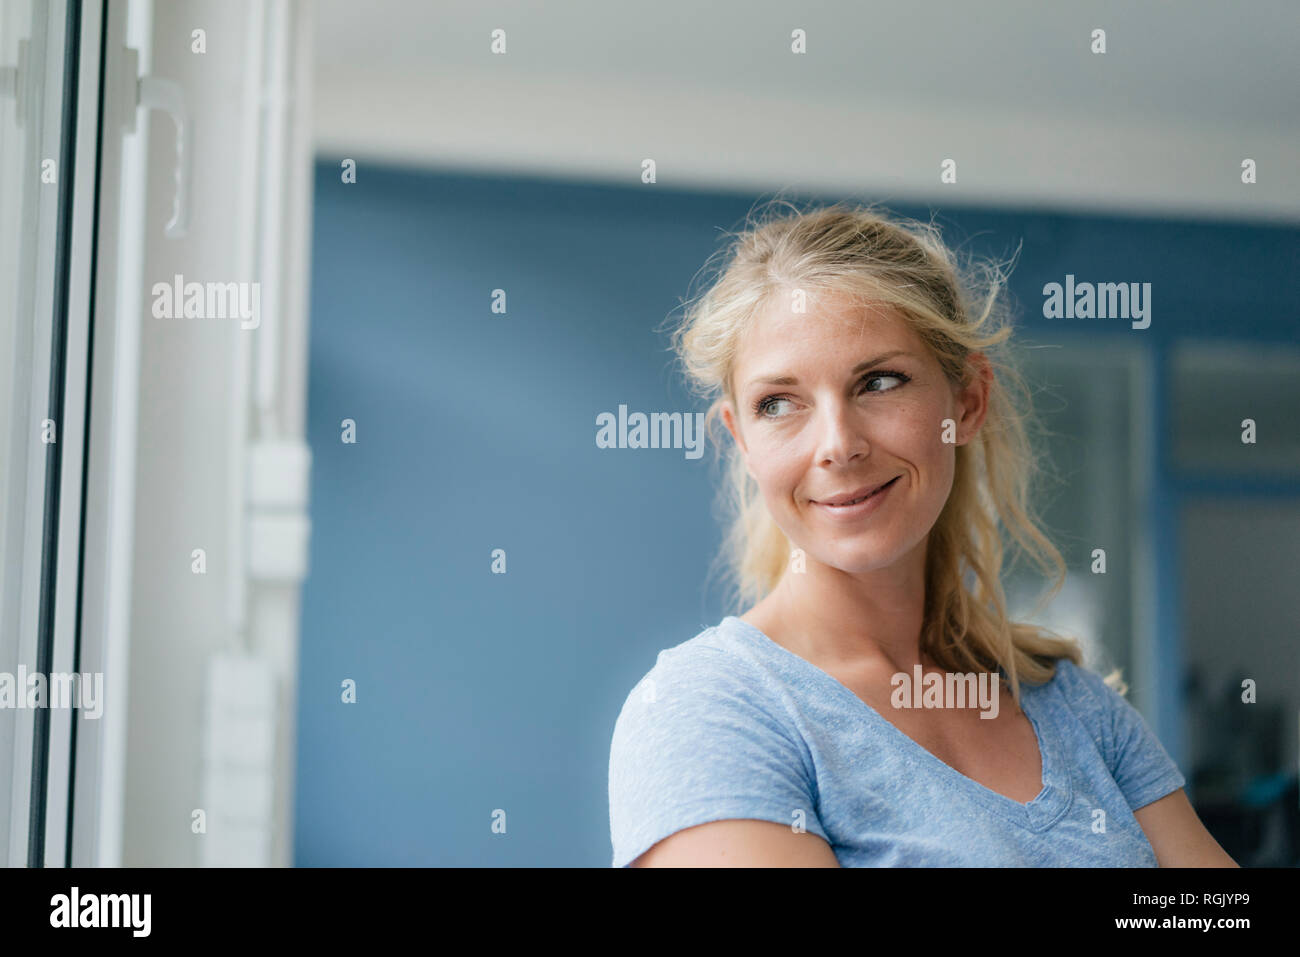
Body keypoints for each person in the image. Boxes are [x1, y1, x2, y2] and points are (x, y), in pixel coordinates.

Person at [607, 201, 1237, 867]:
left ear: (966, 402)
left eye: (878, 381)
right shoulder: (709, 711)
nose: (838, 444)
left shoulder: (1074, 706)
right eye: (779, 403)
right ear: (742, 440)